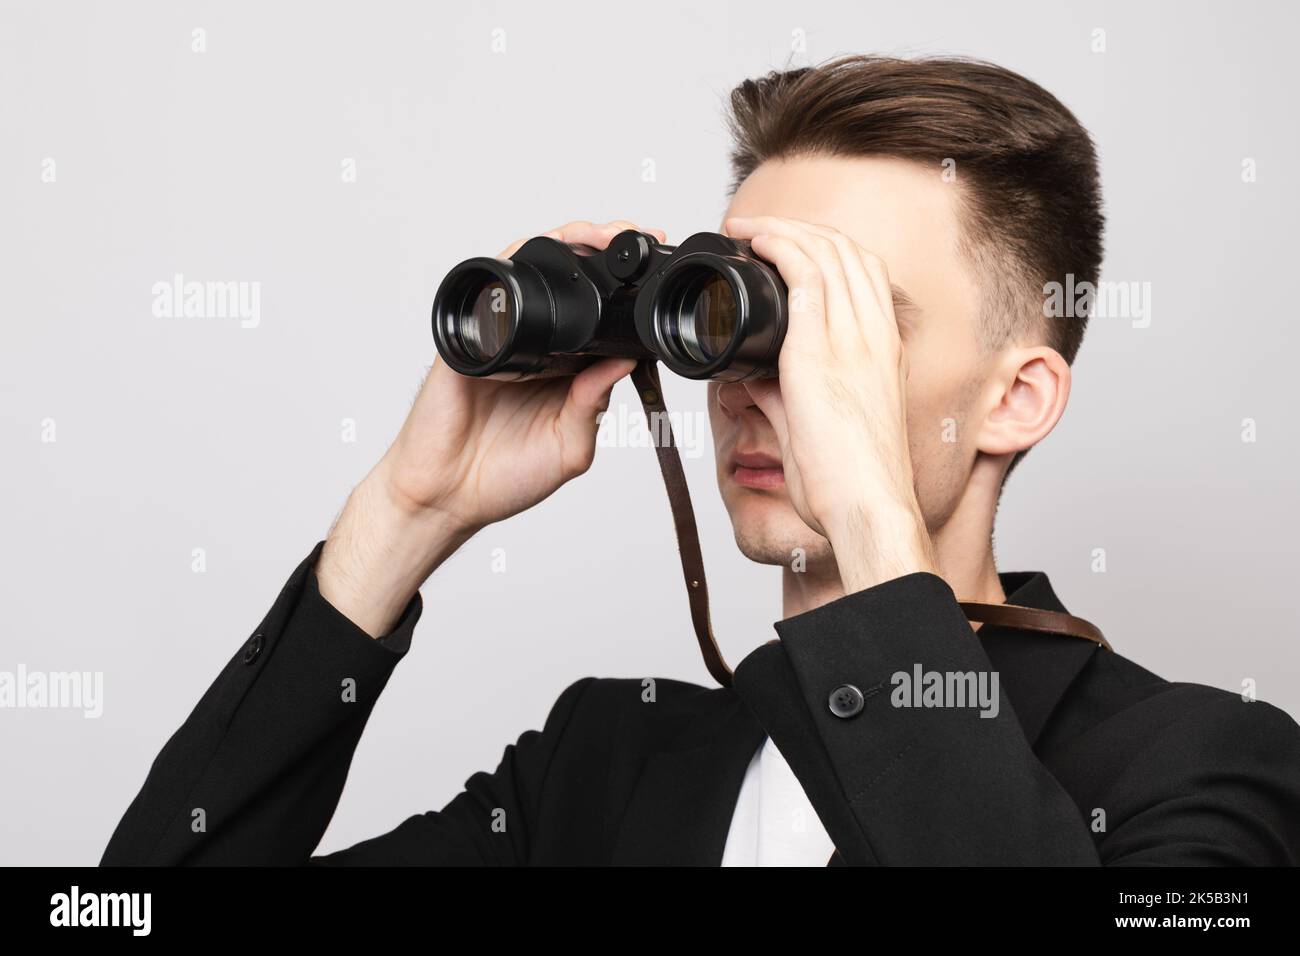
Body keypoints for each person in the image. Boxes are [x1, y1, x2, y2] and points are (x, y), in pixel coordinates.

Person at [101, 55, 1300, 866]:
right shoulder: (605, 770)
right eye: (748, 310)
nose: (757, 377)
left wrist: (876, 532)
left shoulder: (1204, 770)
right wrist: (404, 515)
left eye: (844, 322)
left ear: (1015, 400)